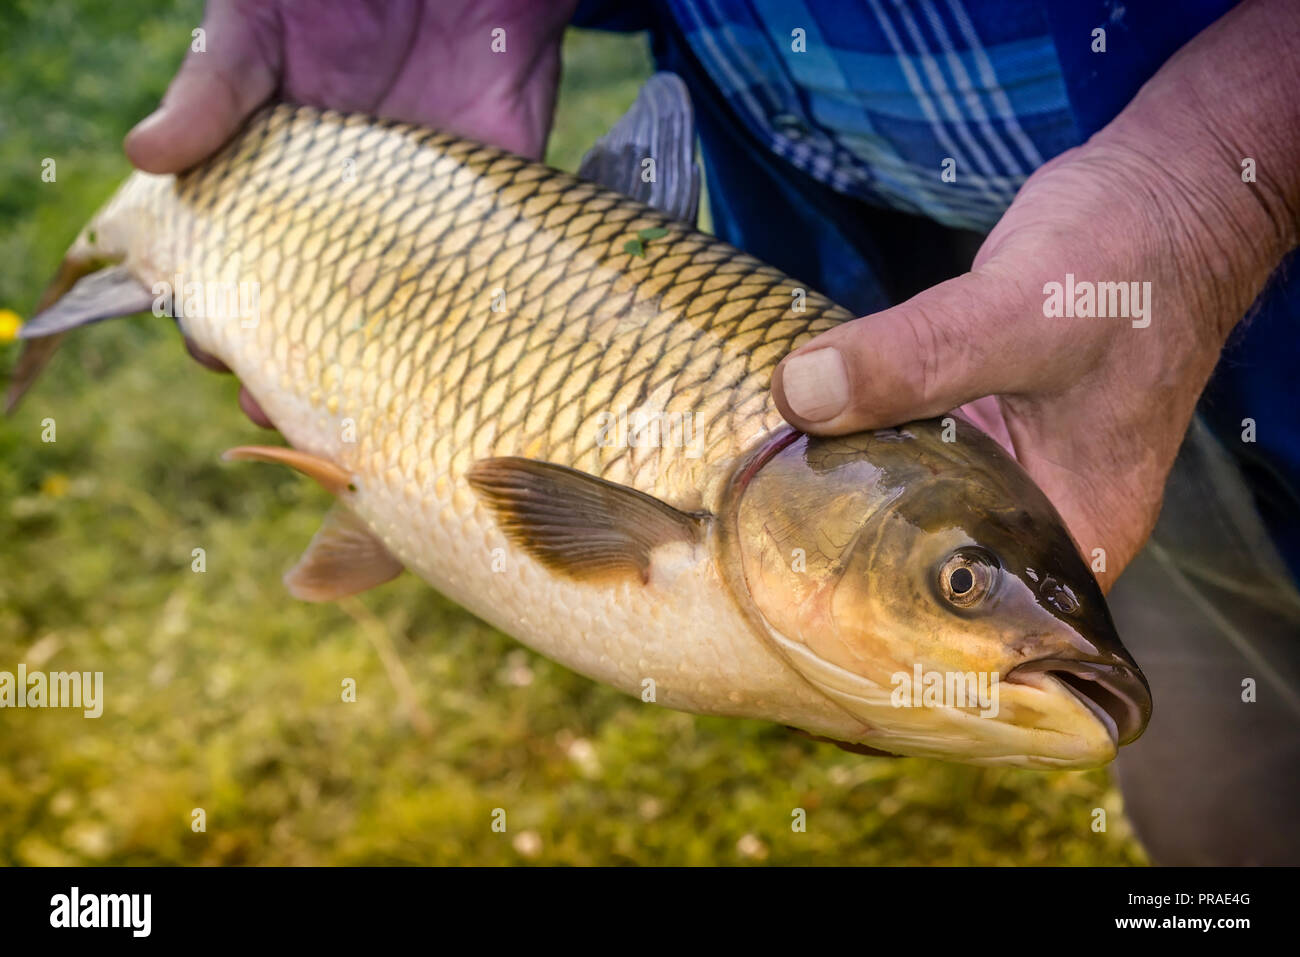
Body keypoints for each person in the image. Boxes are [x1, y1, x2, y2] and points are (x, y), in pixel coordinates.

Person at [125, 0, 1300, 864]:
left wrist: (1222, 189)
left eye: (960, 581)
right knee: (1222, 774)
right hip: (849, 225)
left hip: (1225, 240)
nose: (973, 594)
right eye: (960, 580)